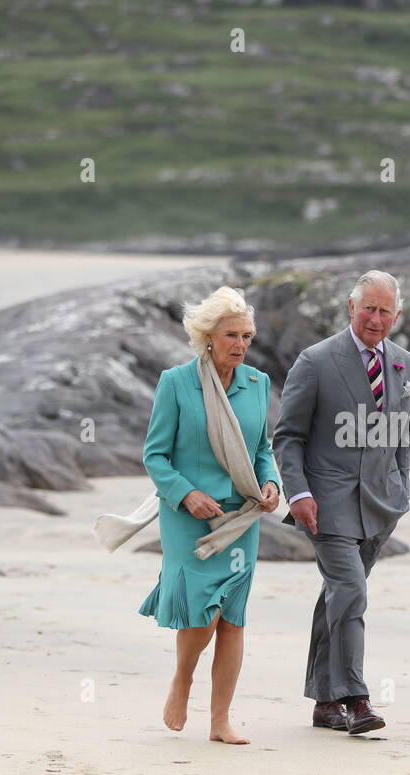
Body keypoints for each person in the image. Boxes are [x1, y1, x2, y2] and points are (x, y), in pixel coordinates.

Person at [274, 270, 410, 735]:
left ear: (397, 315)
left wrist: (403, 489)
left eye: (385, 311)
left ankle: (322, 701)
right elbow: (288, 436)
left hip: (381, 504)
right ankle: (355, 698)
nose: (376, 319)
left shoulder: (403, 363)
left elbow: (401, 433)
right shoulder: (315, 361)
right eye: (368, 308)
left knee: (338, 595)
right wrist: (298, 494)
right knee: (351, 591)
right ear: (350, 308)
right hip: (326, 502)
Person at [139, 286, 281, 745]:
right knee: (201, 614)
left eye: (248, 336)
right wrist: (187, 494)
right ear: (208, 338)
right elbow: (155, 456)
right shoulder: (176, 383)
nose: (240, 345)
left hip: (241, 516)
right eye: (231, 335)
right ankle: (183, 680)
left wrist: (272, 482)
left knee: (233, 617)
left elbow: (262, 449)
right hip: (188, 517)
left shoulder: (257, 384)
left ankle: (220, 721)